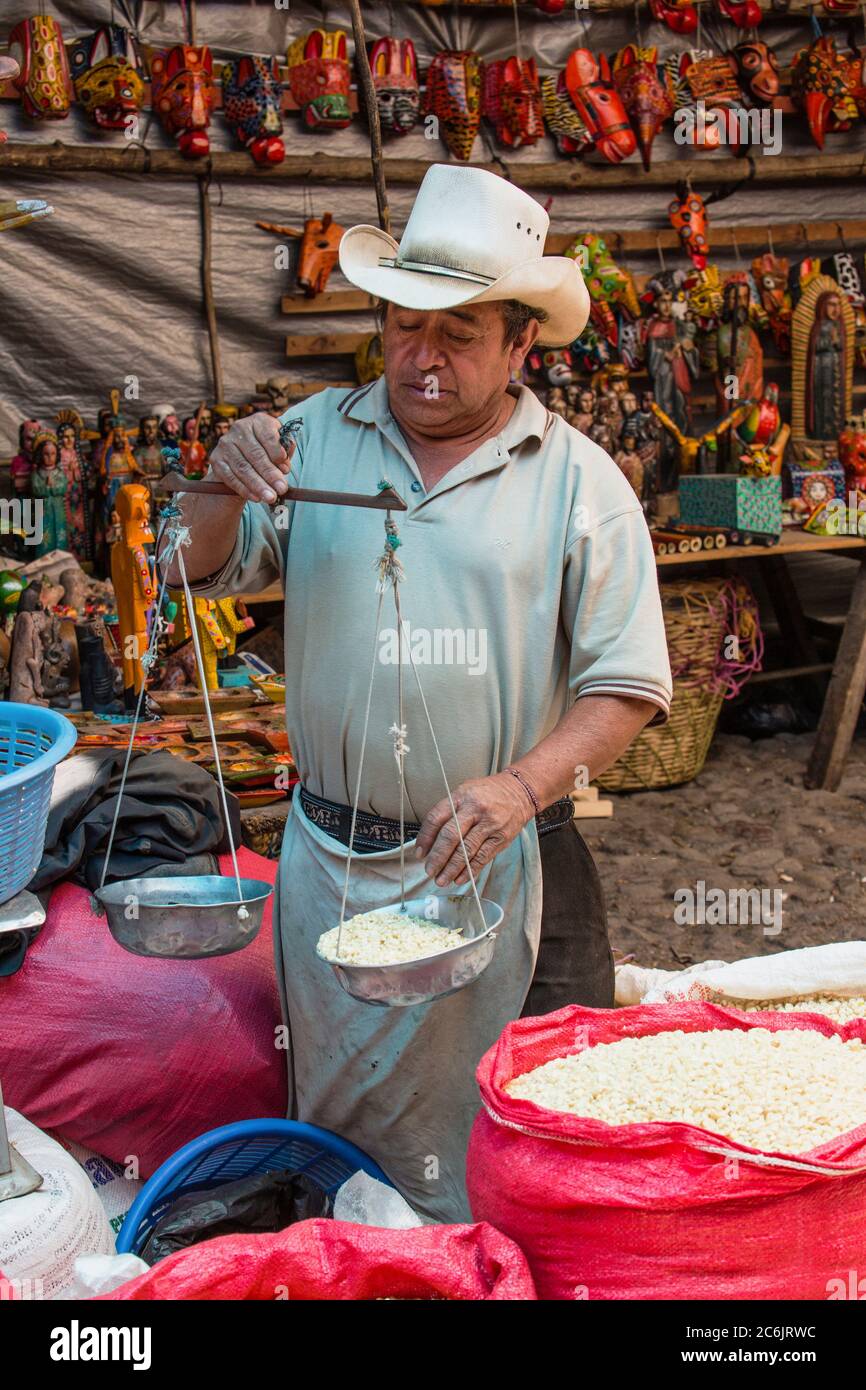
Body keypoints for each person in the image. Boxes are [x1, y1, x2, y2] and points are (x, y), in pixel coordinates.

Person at [166, 166, 672, 1222]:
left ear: (520, 345)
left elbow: (625, 686)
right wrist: (218, 478)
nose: (422, 356)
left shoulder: (576, 480)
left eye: (458, 334)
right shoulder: (312, 438)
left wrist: (520, 788)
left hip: (508, 852)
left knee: (528, 1137)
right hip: (335, 860)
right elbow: (191, 564)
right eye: (405, 326)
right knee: (349, 1147)